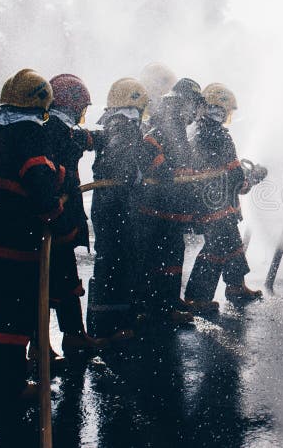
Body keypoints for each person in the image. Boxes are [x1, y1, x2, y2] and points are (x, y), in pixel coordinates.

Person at [0, 69, 76, 405]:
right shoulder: (29, 133)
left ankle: (2, 388)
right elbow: (40, 185)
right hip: (17, 246)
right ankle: (9, 391)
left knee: (1, 323)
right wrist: (59, 222)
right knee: (16, 325)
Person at [183, 83, 265, 311]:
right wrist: (254, 177)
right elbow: (236, 178)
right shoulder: (219, 135)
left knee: (232, 244)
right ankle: (197, 298)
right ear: (221, 110)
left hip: (206, 201)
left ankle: (237, 286)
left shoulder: (197, 130)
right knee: (216, 250)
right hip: (217, 204)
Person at [45, 74, 109, 356]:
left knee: (64, 279)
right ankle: (47, 345)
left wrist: (99, 137)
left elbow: (80, 138)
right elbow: (73, 142)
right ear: (72, 105)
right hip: (54, 219)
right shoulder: (56, 129)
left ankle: (71, 336)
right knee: (50, 281)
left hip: (57, 218)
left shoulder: (57, 127)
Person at [86, 78, 151, 340]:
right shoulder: (124, 126)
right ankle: (107, 326)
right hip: (116, 205)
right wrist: (131, 176)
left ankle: (112, 321)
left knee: (114, 261)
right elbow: (119, 162)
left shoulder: (116, 123)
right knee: (114, 263)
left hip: (112, 203)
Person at [138, 77, 204, 324]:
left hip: (170, 209)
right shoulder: (168, 124)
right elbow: (148, 148)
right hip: (160, 210)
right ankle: (162, 308)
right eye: (194, 104)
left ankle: (169, 301)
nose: (195, 111)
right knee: (163, 259)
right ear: (185, 102)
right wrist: (165, 172)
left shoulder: (173, 123)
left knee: (173, 257)